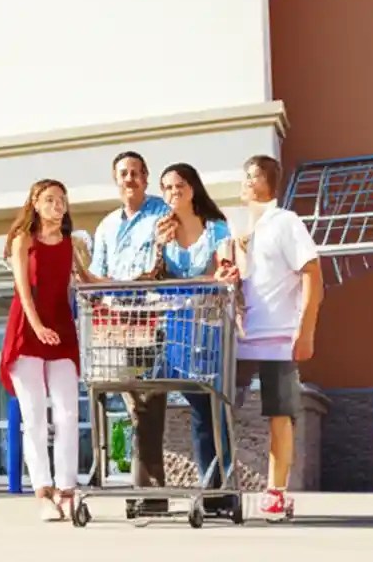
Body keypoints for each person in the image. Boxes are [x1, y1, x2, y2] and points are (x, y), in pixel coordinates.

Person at [215, 155, 323, 520]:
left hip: (279, 339)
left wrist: (305, 330)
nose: (245, 182)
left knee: (280, 414)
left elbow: (312, 274)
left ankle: (276, 492)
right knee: (222, 409)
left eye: (253, 176)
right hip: (242, 339)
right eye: (244, 176)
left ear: (270, 183)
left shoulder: (286, 222)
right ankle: (221, 486)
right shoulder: (243, 233)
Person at [87, 151, 174, 513]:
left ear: (146, 177)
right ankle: (138, 488)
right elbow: (97, 273)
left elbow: (159, 266)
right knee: (129, 409)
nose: (130, 179)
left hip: (150, 323)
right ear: (116, 179)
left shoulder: (161, 215)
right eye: (123, 173)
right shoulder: (106, 225)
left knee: (149, 408)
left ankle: (151, 495)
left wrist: (124, 284)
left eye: (136, 173)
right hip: (114, 328)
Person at [0, 179, 86, 521]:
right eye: (49, 199)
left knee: (66, 414)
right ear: (35, 203)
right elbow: (22, 288)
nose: (57, 205)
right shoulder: (23, 239)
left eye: (62, 200)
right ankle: (43, 492)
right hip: (27, 329)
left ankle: (67, 490)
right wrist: (36, 326)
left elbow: (86, 279)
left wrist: (134, 283)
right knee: (34, 417)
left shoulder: (70, 244)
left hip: (62, 331)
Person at [157, 162, 237, 512]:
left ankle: (220, 490)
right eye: (167, 188)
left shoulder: (216, 228)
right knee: (197, 409)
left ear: (193, 188)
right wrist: (158, 247)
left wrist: (214, 277)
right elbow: (154, 278)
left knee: (213, 409)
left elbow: (225, 269)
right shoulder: (162, 232)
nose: (173, 193)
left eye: (179, 186)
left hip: (209, 326)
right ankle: (210, 488)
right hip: (176, 328)